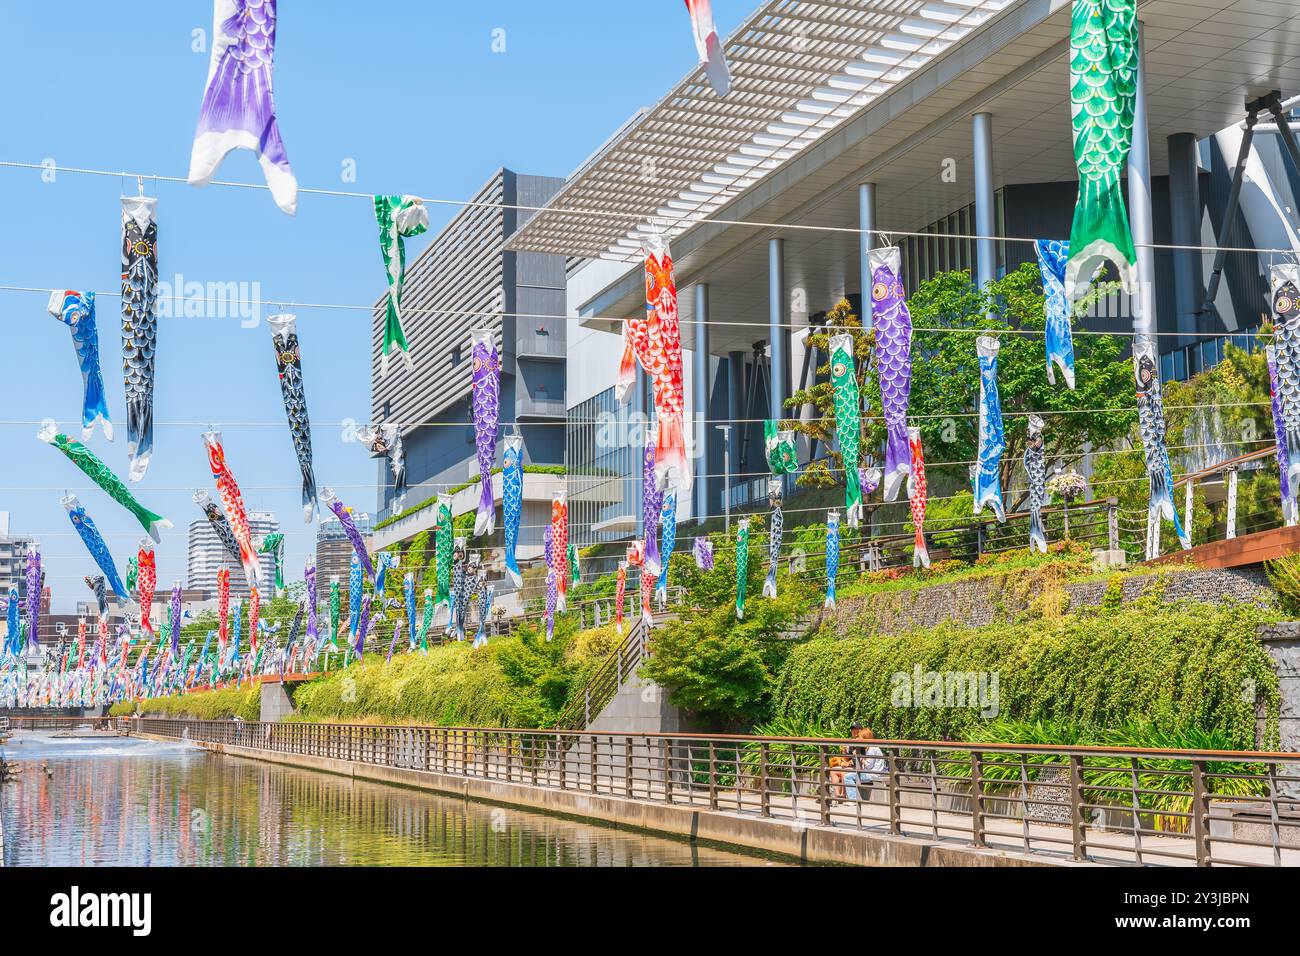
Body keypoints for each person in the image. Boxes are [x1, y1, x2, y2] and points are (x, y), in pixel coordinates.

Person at [843, 723, 887, 803]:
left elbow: (869, 766)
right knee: (849, 774)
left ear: (865, 738)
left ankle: (853, 800)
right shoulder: (870, 748)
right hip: (872, 773)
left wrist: (859, 756)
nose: (858, 739)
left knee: (848, 777)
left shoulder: (872, 749)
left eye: (860, 738)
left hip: (873, 774)